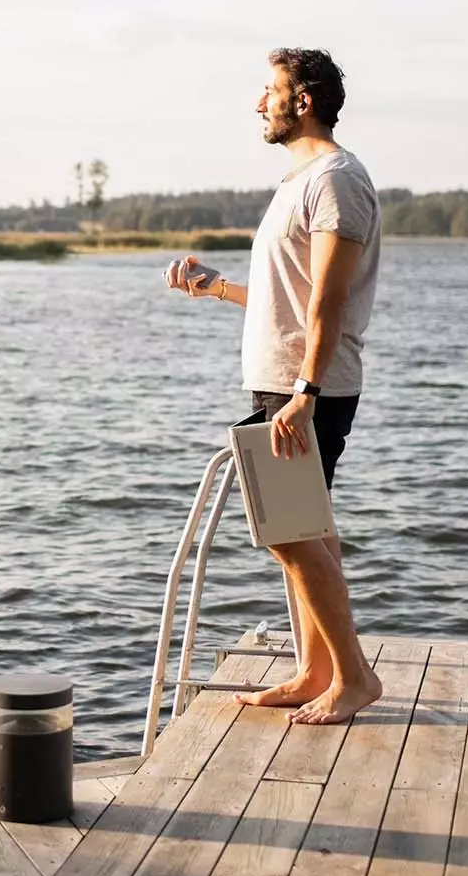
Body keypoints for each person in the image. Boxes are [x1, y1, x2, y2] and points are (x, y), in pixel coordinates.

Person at [164, 47, 385, 725]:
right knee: (305, 530)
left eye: (271, 90)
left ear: (304, 101)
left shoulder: (337, 181)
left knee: (287, 532)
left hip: (306, 390)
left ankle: (352, 678)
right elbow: (285, 295)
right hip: (285, 386)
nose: (260, 103)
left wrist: (307, 390)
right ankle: (317, 670)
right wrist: (215, 287)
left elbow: (328, 299)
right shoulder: (301, 182)